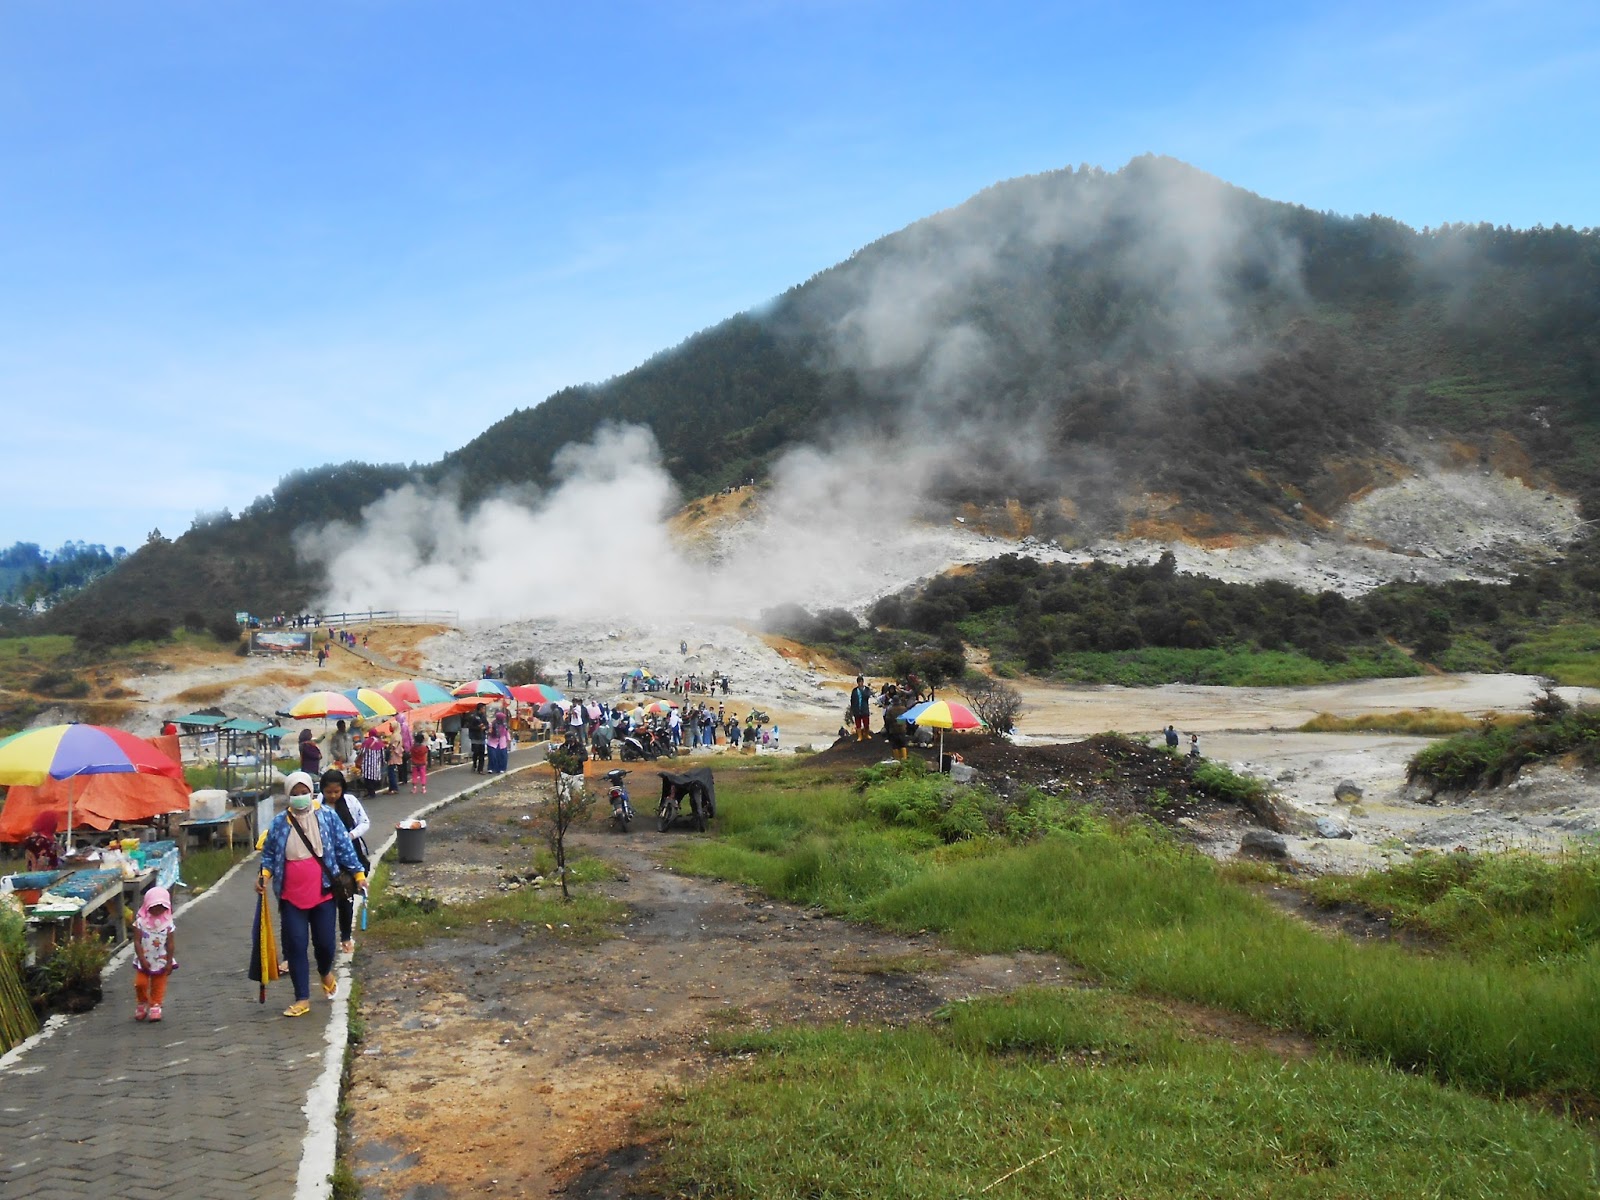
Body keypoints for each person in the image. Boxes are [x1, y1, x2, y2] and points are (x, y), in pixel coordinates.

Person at [258, 772, 365, 1018]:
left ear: (311, 792)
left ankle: (325, 972)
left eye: (303, 793)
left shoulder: (327, 817)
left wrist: (358, 875)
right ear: (287, 797)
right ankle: (302, 998)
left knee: (325, 944)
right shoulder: (278, 823)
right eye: (293, 795)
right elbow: (270, 854)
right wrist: (264, 875)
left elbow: (343, 847)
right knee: (295, 945)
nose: (299, 798)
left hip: (324, 892)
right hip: (291, 896)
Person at [320, 769, 370, 955]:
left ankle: (346, 936)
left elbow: (364, 822)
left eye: (336, 792)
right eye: (329, 792)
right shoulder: (317, 805)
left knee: (346, 898)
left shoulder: (351, 802)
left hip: (349, 857)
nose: (333, 796)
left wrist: (350, 835)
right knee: (326, 901)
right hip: (325, 861)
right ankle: (326, 940)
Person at [132, 885, 177, 1022]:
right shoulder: (140, 922)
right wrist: (141, 958)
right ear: (147, 905)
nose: (157, 910)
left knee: (158, 984)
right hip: (144, 958)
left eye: (161, 907)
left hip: (161, 960)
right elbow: (137, 941)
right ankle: (142, 1002)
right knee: (140, 983)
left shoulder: (168, 924)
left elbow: (170, 944)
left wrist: (169, 961)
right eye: (154, 906)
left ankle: (155, 1005)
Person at [357, 728, 385, 800]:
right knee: (373, 779)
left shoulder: (366, 742)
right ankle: (372, 792)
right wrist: (382, 762)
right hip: (376, 764)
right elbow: (383, 754)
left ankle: (371, 793)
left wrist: (358, 758)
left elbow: (362, 752)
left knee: (367, 779)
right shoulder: (380, 742)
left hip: (368, 764)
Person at [849, 676, 874, 742]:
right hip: (857, 709)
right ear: (857, 683)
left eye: (861, 681)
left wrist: (862, 691)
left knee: (866, 723)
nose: (860, 683)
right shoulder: (854, 691)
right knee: (858, 724)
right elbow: (852, 700)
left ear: (863, 682)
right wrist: (852, 709)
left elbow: (867, 696)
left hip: (864, 708)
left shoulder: (866, 689)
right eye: (859, 682)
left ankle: (866, 734)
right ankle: (859, 736)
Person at [467, 706, 489, 772]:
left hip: (482, 737)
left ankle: (480, 769)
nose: (484, 710)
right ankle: (474, 764)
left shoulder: (483, 717)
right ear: (480, 709)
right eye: (483, 708)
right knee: (475, 752)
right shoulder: (473, 717)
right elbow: (470, 727)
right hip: (475, 737)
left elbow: (487, 725)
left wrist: (485, 727)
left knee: (482, 753)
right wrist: (478, 727)